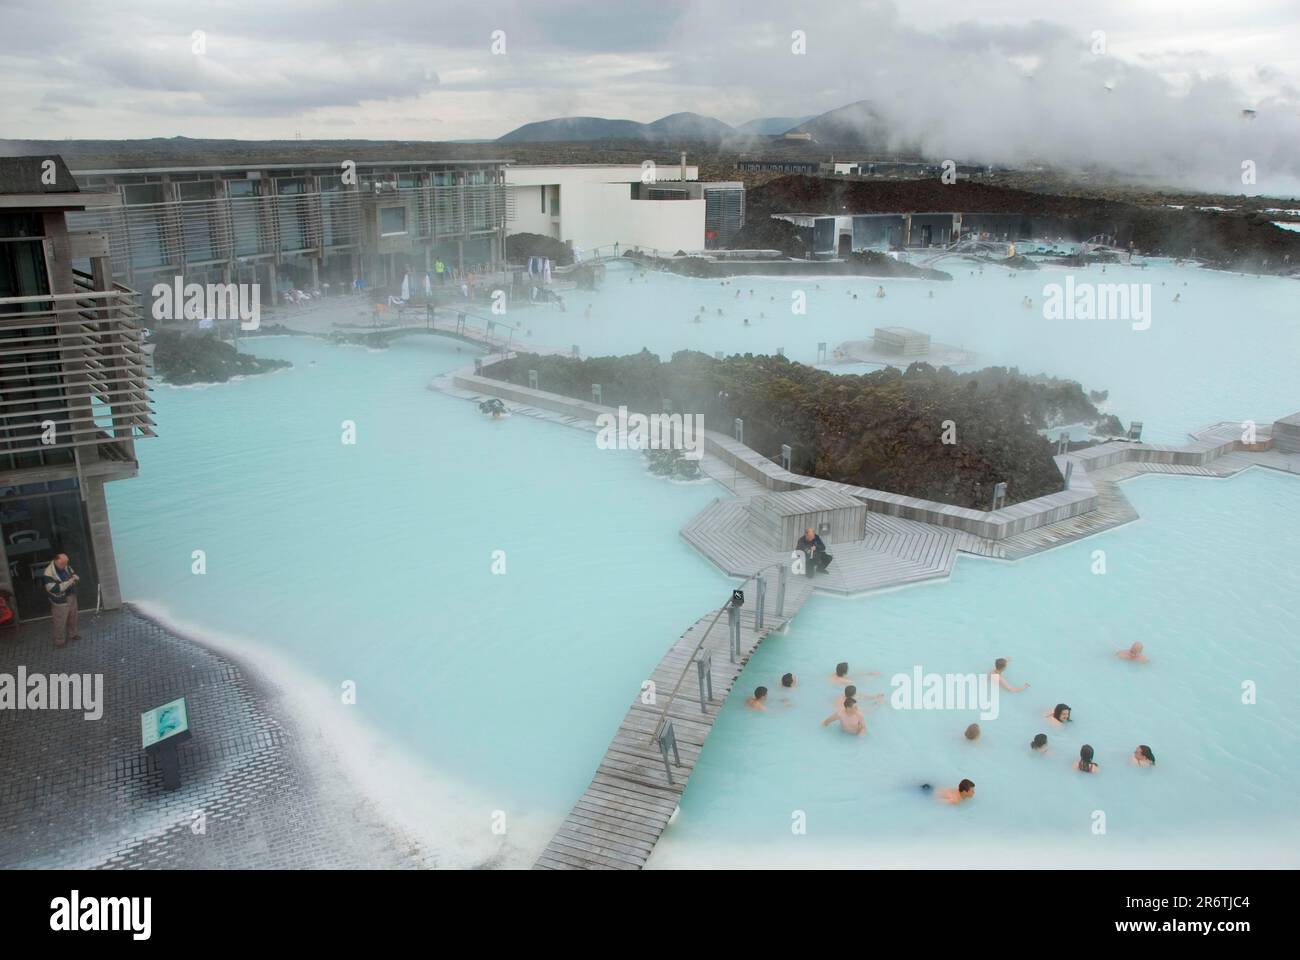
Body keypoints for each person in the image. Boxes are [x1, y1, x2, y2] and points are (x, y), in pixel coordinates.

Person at [43, 553, 80, 647]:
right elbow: (55, 589)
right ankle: (59, 641)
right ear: (56, 561)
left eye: (66, 563)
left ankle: (73, 634)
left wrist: (74, 576)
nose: (64, 566)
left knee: (73, 616)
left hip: (71, 595)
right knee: (60, 621)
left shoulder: (65, 565)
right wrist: (71, 581)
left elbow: (72, 572)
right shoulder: (48, 574)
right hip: (60, 600)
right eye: (62, 564)